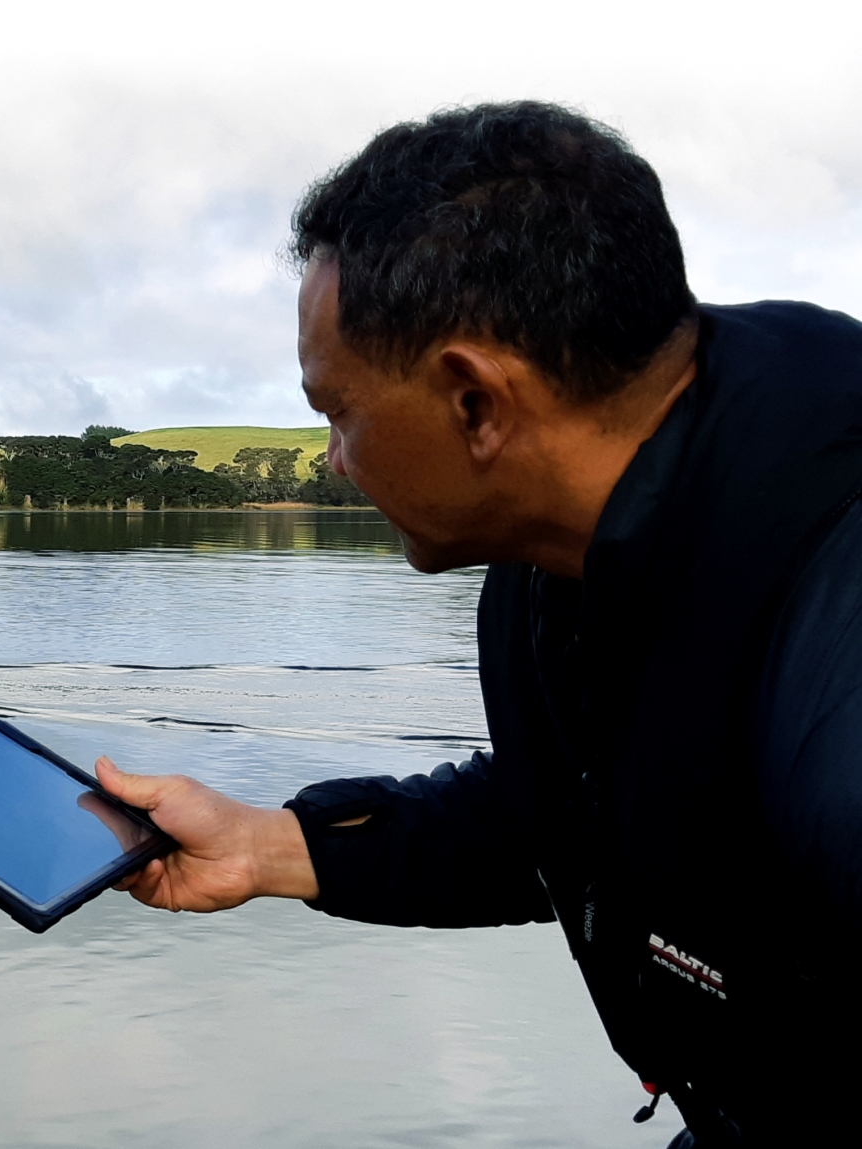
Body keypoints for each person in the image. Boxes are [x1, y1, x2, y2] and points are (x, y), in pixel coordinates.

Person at [91, 102, 862, 1147]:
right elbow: (586, 813)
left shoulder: (834, 649)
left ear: (476, 404)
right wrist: (271, 847)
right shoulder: (572, 540)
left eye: (338, 413)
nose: (335, 461)